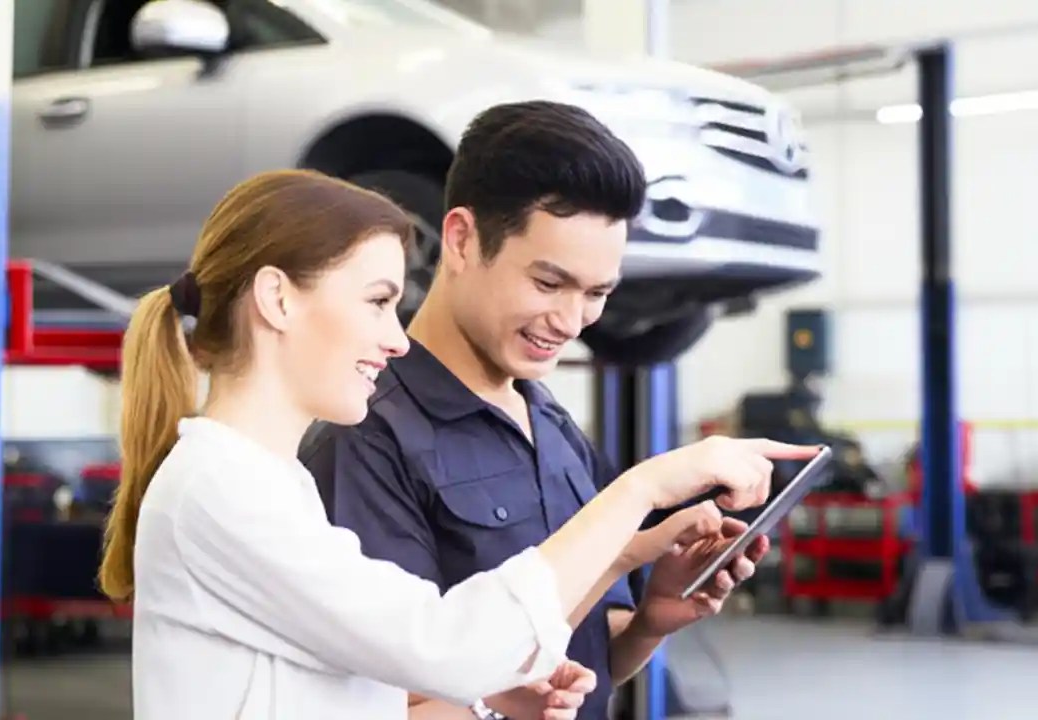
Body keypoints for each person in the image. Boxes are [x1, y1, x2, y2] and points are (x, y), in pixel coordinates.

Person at [97, 167, 809, 720]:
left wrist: (485, 697)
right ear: (278, 299)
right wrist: (644, 490)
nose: (395, 336)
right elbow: (445, 642)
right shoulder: (222, 489)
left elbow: (331, 677)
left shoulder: (268, 483)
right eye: (377, 301)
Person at [299, 101, 820, 720]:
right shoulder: (367, 436)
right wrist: (642, 489)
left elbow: (583, 666)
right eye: (548, 284)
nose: (571, 322)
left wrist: (649, 623)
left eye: (596, 293)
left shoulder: (551, 426)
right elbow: (384, 706)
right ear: (462, 239)